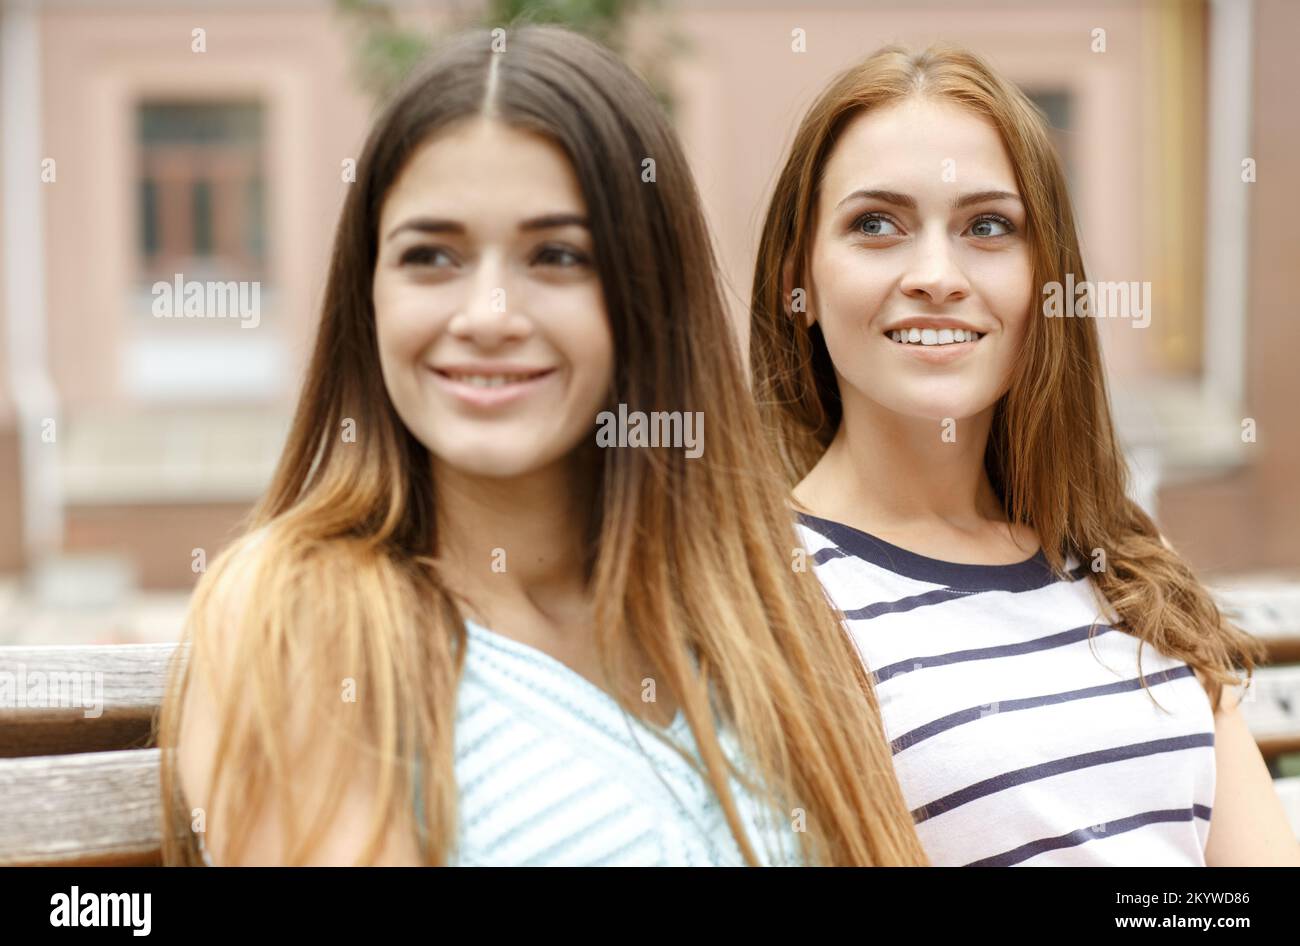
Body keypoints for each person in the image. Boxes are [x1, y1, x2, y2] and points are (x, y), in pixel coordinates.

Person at [158, 25, 927, 867]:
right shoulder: (302, 613)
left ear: (646, 296)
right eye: (431, 256)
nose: (488, 316)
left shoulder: (754, 607)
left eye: (556, 255)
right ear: (367, 293)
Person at [748, 43, 1298, 866]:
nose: (936, 274)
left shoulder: (1119, 555)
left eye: (988, 226)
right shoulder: (761, 593)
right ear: (800, 280)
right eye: (876, 224)